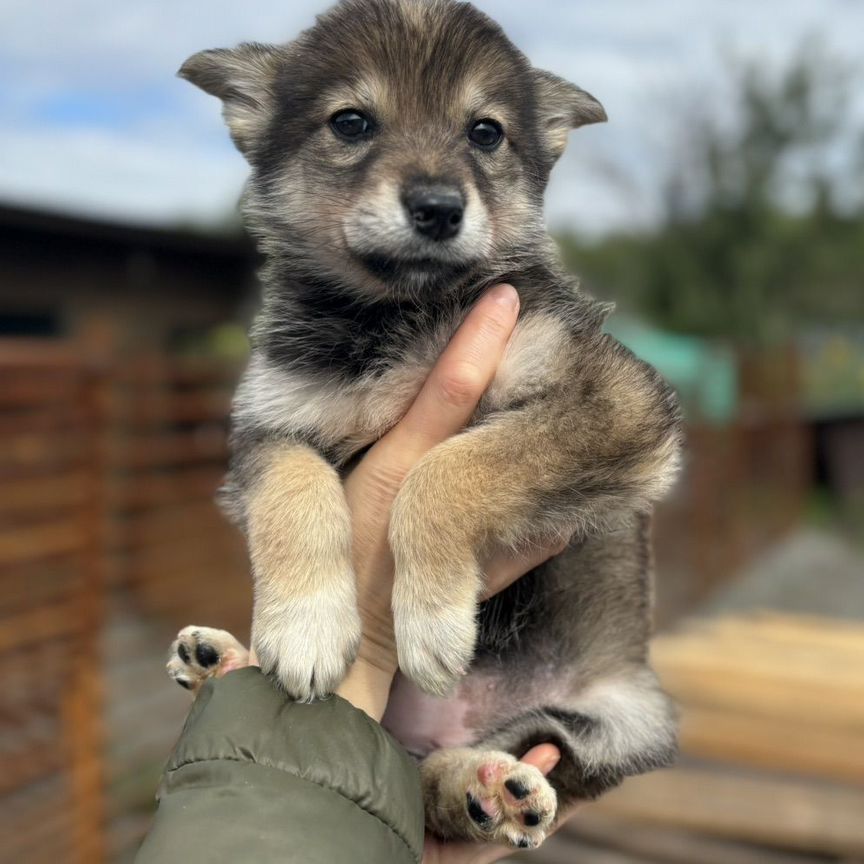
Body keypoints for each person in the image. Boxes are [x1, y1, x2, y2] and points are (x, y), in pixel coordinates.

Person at [136, 285, 576, 864]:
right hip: (403, 768)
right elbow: (270, 450)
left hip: (533, 682)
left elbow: (648, 442)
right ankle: (431, 789)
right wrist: (368, 637)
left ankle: (270, 705)